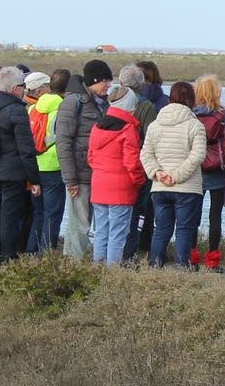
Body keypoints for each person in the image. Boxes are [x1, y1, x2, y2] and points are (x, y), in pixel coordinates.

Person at [0, 68, 41, 265]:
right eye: (22, 87)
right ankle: (7, 257)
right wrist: (34, 179)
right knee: (8, 218)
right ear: (14, 88)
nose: (24, 91)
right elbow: (26, 149)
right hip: (12, 173)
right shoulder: (16, 110)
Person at [141, 81, 207, 269]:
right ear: (192, 100)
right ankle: (181, 268)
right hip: (187, 188)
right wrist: (176, 176)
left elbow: (145, 154)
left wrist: (159, 174)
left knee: (161, 229)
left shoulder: (155, 125)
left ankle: (154, 266)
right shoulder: (195, 125)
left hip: (160, 187)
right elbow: (198, 156)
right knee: (185, 230)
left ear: (170, 98)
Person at [55, 60, 110, 260]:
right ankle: (75, 265)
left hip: (96, 174)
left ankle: (73, 262)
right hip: (79, 175)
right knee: (79, 223)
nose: (109, 85)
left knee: (85, 223)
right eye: (105, 81)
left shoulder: (101, 103)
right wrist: (70, 179)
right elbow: (63, 142)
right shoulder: (73, 103)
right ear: (94, 81)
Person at [87, 84, 147, 266]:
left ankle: (98, 267)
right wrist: (139, 181)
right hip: (121, 189)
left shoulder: (97, 127)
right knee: (118, 234)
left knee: (101, 232)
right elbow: (132, 162)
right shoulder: (128, 129)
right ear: (130, 106)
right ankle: (113, 273)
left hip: (98, 185)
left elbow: (90, 157)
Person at [192, 75, 225, 271]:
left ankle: (190, 257)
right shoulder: (222, 116)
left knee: (192, 215)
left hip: (194, 172)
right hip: (218, 172)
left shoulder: (190, 115)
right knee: (215, 216)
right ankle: (212, 261)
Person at [117, 64, 157, 261]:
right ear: (141, 84)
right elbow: (151, 138)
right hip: (138, 164)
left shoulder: (111, 102)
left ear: (121, 82)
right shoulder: (147, 106)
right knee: (134, 212)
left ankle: (112, 253)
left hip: (114, 163)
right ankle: (128, 254)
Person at [27, 71, 66, 253]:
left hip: (34, 166)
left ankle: (31, 252)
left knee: (38, 213)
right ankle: (46, 256)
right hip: (54, 166)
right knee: (53, 213)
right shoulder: (60, 107)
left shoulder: (31, 109)